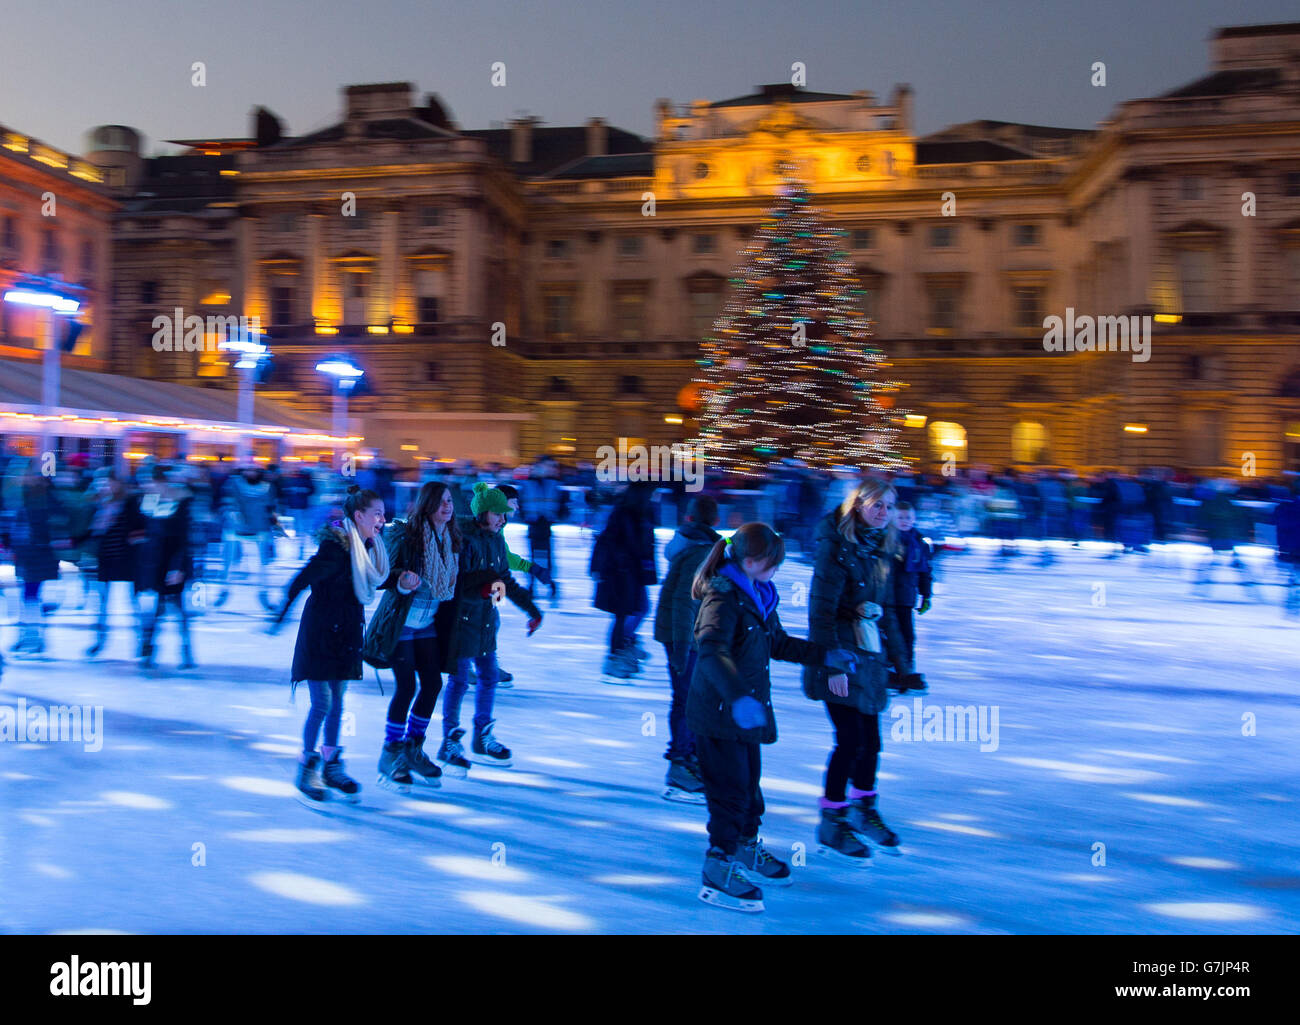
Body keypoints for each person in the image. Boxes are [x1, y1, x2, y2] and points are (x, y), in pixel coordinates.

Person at [687, 522, 856, 913]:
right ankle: (718, 864)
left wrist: (824, 655)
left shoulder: (758, 593)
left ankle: (745, 849)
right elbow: (710, 649)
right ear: (750, 561)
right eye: (773, 563)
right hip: (719, 715)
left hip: (746, 713)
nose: (777, 570)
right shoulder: (723, 598)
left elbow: (774, 642)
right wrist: (737, 698)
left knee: (749, 789)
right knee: (728, 794)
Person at [805, 479, 922, 865]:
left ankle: (862, 809)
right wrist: (830, 661)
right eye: (876, 505)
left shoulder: (883, 550)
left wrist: (904, 668)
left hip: (869, 660)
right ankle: (832, 819)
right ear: (857, 504)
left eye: (889, 506)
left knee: (871, 743)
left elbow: (888, 613)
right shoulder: (835, 546)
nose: (883, 513)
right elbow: (820, 611)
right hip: (838, 658)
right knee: (850, 740)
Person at [272, 486, 389, 806]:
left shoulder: (371, 548)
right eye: (376, 513)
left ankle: (332, 764)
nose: (382, 519)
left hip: (348, 631)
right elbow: (301, 579)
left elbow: (378, 580)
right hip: (322, 632)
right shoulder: (335, 548)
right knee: (322, 703)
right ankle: (307, 765)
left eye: (382, 512)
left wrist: (403, 581)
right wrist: (280, 614)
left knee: (338, 701)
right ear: (358, 516)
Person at [436, 483, 543, 776]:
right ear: (484, 512)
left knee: (489, 676)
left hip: (484, 622)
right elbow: (452, 585)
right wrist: (482, 587)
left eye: (505, 515)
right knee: (458, 682)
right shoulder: (462, 539)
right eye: (498, 513)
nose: (503, 520)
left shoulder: (496, 540)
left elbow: (503, 579)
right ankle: (450, 740)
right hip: (459, 622)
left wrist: (532, 609)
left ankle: (482, 736)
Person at [362, 481, 461, 793]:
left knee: (433, 684)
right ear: (427, 504)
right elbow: (379, 575)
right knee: (406, 687)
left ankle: (413, 748)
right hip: (402, 621)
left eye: (450, 501)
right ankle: (390, 754)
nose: (448, 506)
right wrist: (402, 581)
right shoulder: (405, 535)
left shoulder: (451, 539)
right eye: (441, 502)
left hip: (429, 622)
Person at [651, 494, 721, 802]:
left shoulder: (695, 546)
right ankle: (680, 764)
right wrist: (682, 645)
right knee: (687, 699)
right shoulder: (702, 552)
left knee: (692, 697)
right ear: (715, 521)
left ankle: (688, 757)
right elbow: (684, 602)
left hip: (686, 635)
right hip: (684, 635)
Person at [590, 482, 657, 679]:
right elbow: (607, 541)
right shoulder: (624, 513)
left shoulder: (640, 513)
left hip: (632, 572)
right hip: (621, 574)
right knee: (624, 613)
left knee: (638, 609)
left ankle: (625, 646)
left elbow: (646, 546)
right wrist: (613, 565)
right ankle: (616, 655)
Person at [135, 465, 197, 670]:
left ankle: (184, 650)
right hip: (154, 564)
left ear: (160, 481)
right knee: (155, 608)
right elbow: (147, 531)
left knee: (177, 608)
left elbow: (185, 539)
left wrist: (178, 567)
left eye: (149, 481)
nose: (146, 486)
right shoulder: (148, 500)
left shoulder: (181, 501)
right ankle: (150, 649)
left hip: (174, 565)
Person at [82, 471, 147, 657]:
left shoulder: (129, 502)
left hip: (127, 559)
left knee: (134, 602)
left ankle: (143, 641)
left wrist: (138, 548)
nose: (105, 487)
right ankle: (100, 640)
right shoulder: (100, 505)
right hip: (106, 559)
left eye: (109, 482)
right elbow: (92, 532)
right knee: (102, 602)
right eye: (102, 483)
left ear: (117, 483)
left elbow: (140, 528)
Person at [887, 500, 932, 694]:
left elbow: (925, 572)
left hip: (905, 599)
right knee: (889, 637)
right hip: (886, 599)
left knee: (907, 637)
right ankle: (891, 673)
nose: (905, 521)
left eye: (908, 518)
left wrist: (926, 595)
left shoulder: (919, 543)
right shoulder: (885, 538)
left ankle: (907, 672)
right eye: (901, 517)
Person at [521, 457, 564, 604]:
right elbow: (521, 503)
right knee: (534, 559)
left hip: (545, 526)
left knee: (547, 560)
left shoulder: (553, 484)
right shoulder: (527, 485)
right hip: (534, 526)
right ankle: (533, 586)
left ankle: (549, 585)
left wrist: (555, 517)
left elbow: (560, 503)